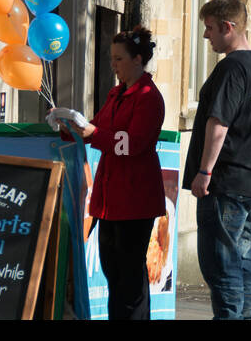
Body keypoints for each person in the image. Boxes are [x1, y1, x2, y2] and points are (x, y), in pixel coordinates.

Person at [49, 25, 166, 320]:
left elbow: (133, 143)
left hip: (134, 197)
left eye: (118, 59)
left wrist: (92, 132)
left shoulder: (148, 96)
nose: (113, 65)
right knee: (113, 271)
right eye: (112, 59)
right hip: (110, 198)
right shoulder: (117, 93)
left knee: (129, 278)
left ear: (138, 59)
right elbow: (97, 129)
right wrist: (70, 128)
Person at [184, 0, 251, 320]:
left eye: (209, 28)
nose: (206, 35)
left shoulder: (232, 68)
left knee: (220, 265)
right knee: (242, 260)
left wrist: (204, 172)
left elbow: (218, 124)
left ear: (227, 26)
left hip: (227, 184)